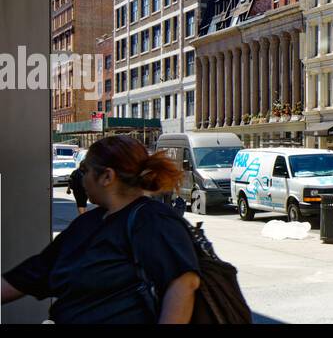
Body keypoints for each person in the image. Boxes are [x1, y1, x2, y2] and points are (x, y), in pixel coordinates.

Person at [2, 136, 200, 324]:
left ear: (107, 176)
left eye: (85, 171)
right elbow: (31, 275)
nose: (82, 179)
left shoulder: (153, 220)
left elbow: (183, 284)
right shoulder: (86, 224)